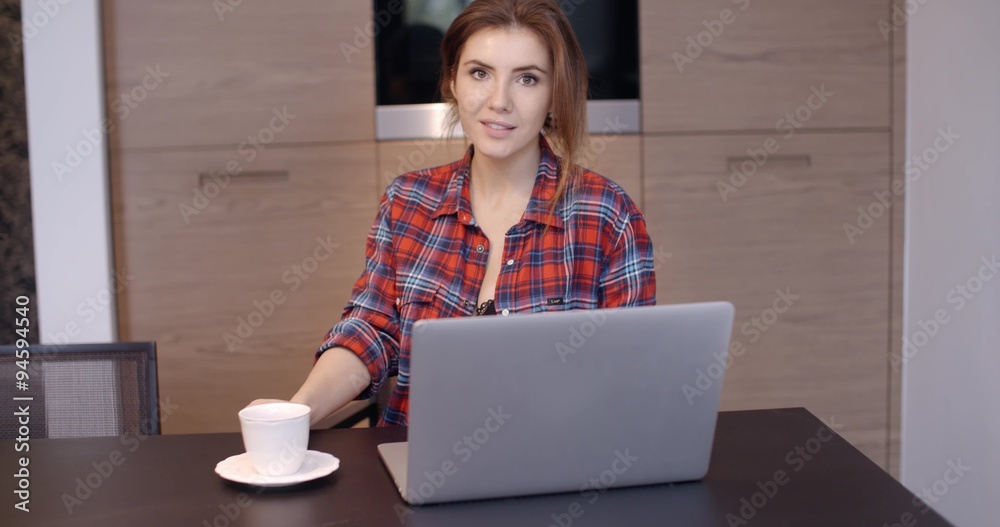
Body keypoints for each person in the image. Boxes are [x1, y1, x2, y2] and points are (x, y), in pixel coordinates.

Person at [249, 0, 656, 426]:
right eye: (480, 73)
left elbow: (629, 377)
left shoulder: (609, 214)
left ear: (554, 96)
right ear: (452, 83)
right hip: (415, 462)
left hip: (561, 468)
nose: (499, 101)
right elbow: (370, 330)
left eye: (528, 79)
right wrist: (296, 412)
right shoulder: (407, 201)